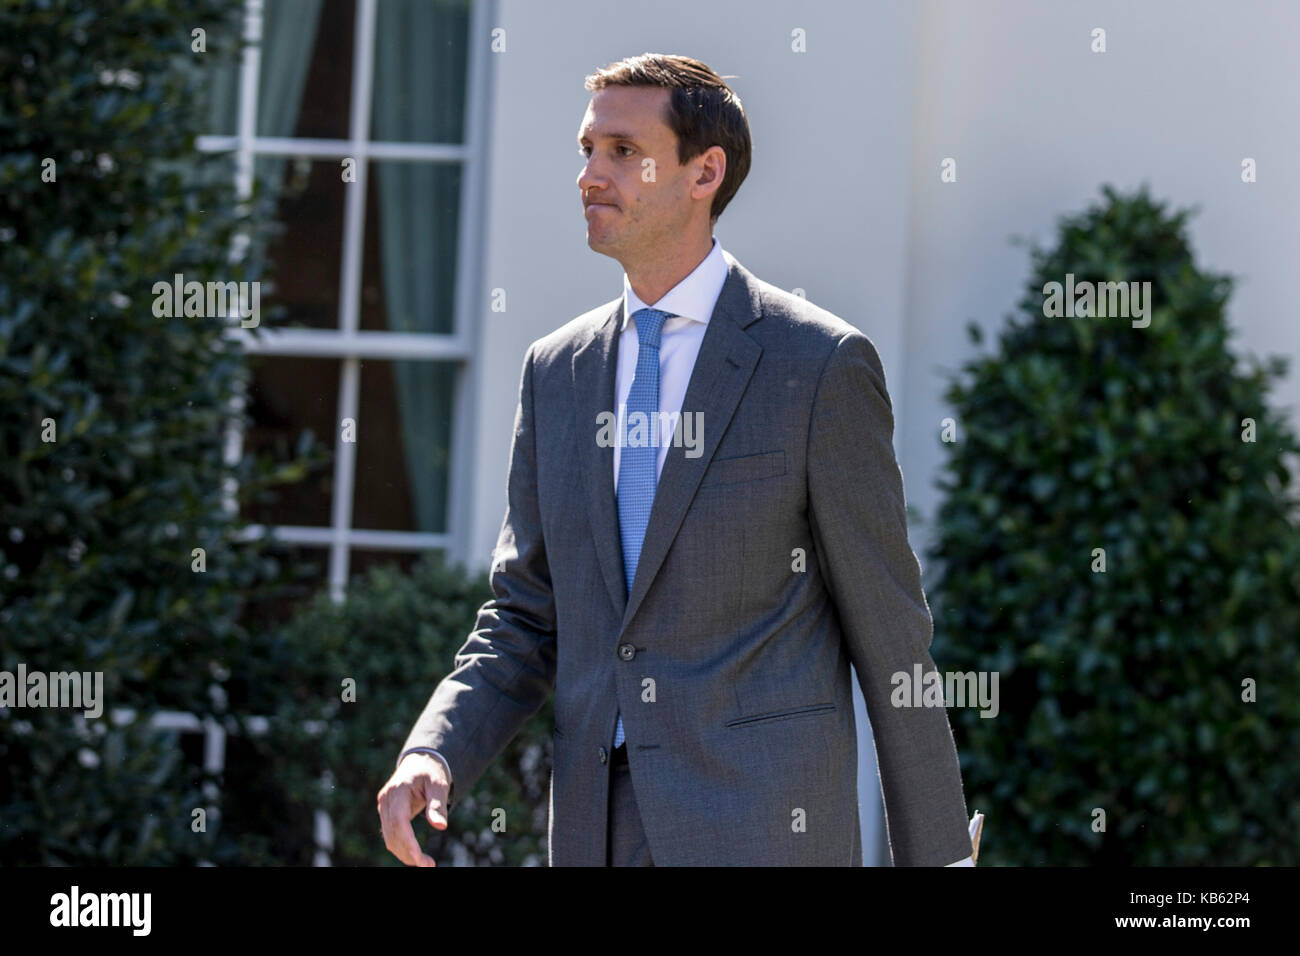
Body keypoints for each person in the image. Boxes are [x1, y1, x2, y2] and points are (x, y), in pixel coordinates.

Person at [377, 52, 975, 867]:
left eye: (622, 150)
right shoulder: (556, 373)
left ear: (705, 172)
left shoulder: (817, 365)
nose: (591, 174)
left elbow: (890, 631)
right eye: (587, 149)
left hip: (765, 834)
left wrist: (940, 857)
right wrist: (434, 751)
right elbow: (524, 616)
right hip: (594, 834)